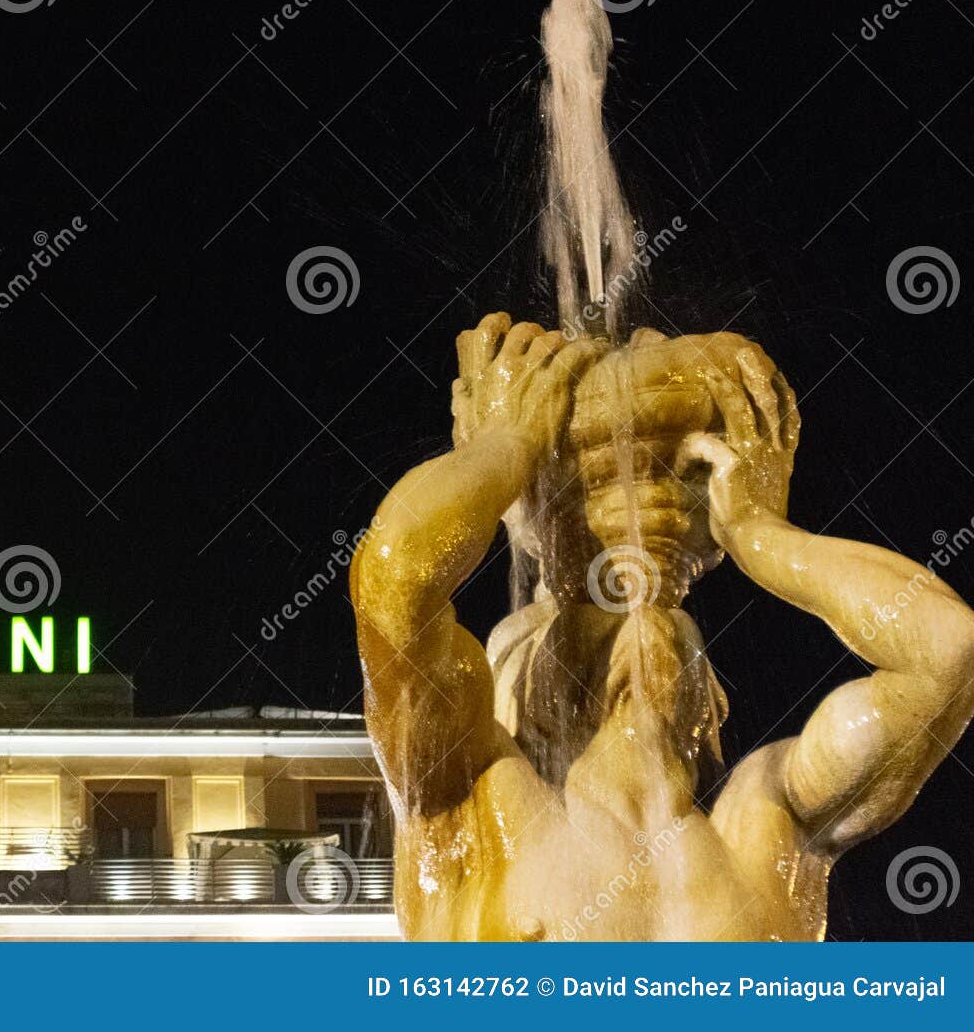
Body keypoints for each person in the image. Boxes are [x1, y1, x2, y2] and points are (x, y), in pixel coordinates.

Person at [351, 312, 974, 940]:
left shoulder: (765, 830)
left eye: (675, 631)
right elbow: (396, 577)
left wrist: (761, 535)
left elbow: (947, 649)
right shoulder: (464, 801)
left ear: (711, 710)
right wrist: (508, 445)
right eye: (599, 628)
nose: (646, 621)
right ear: (523, 688)